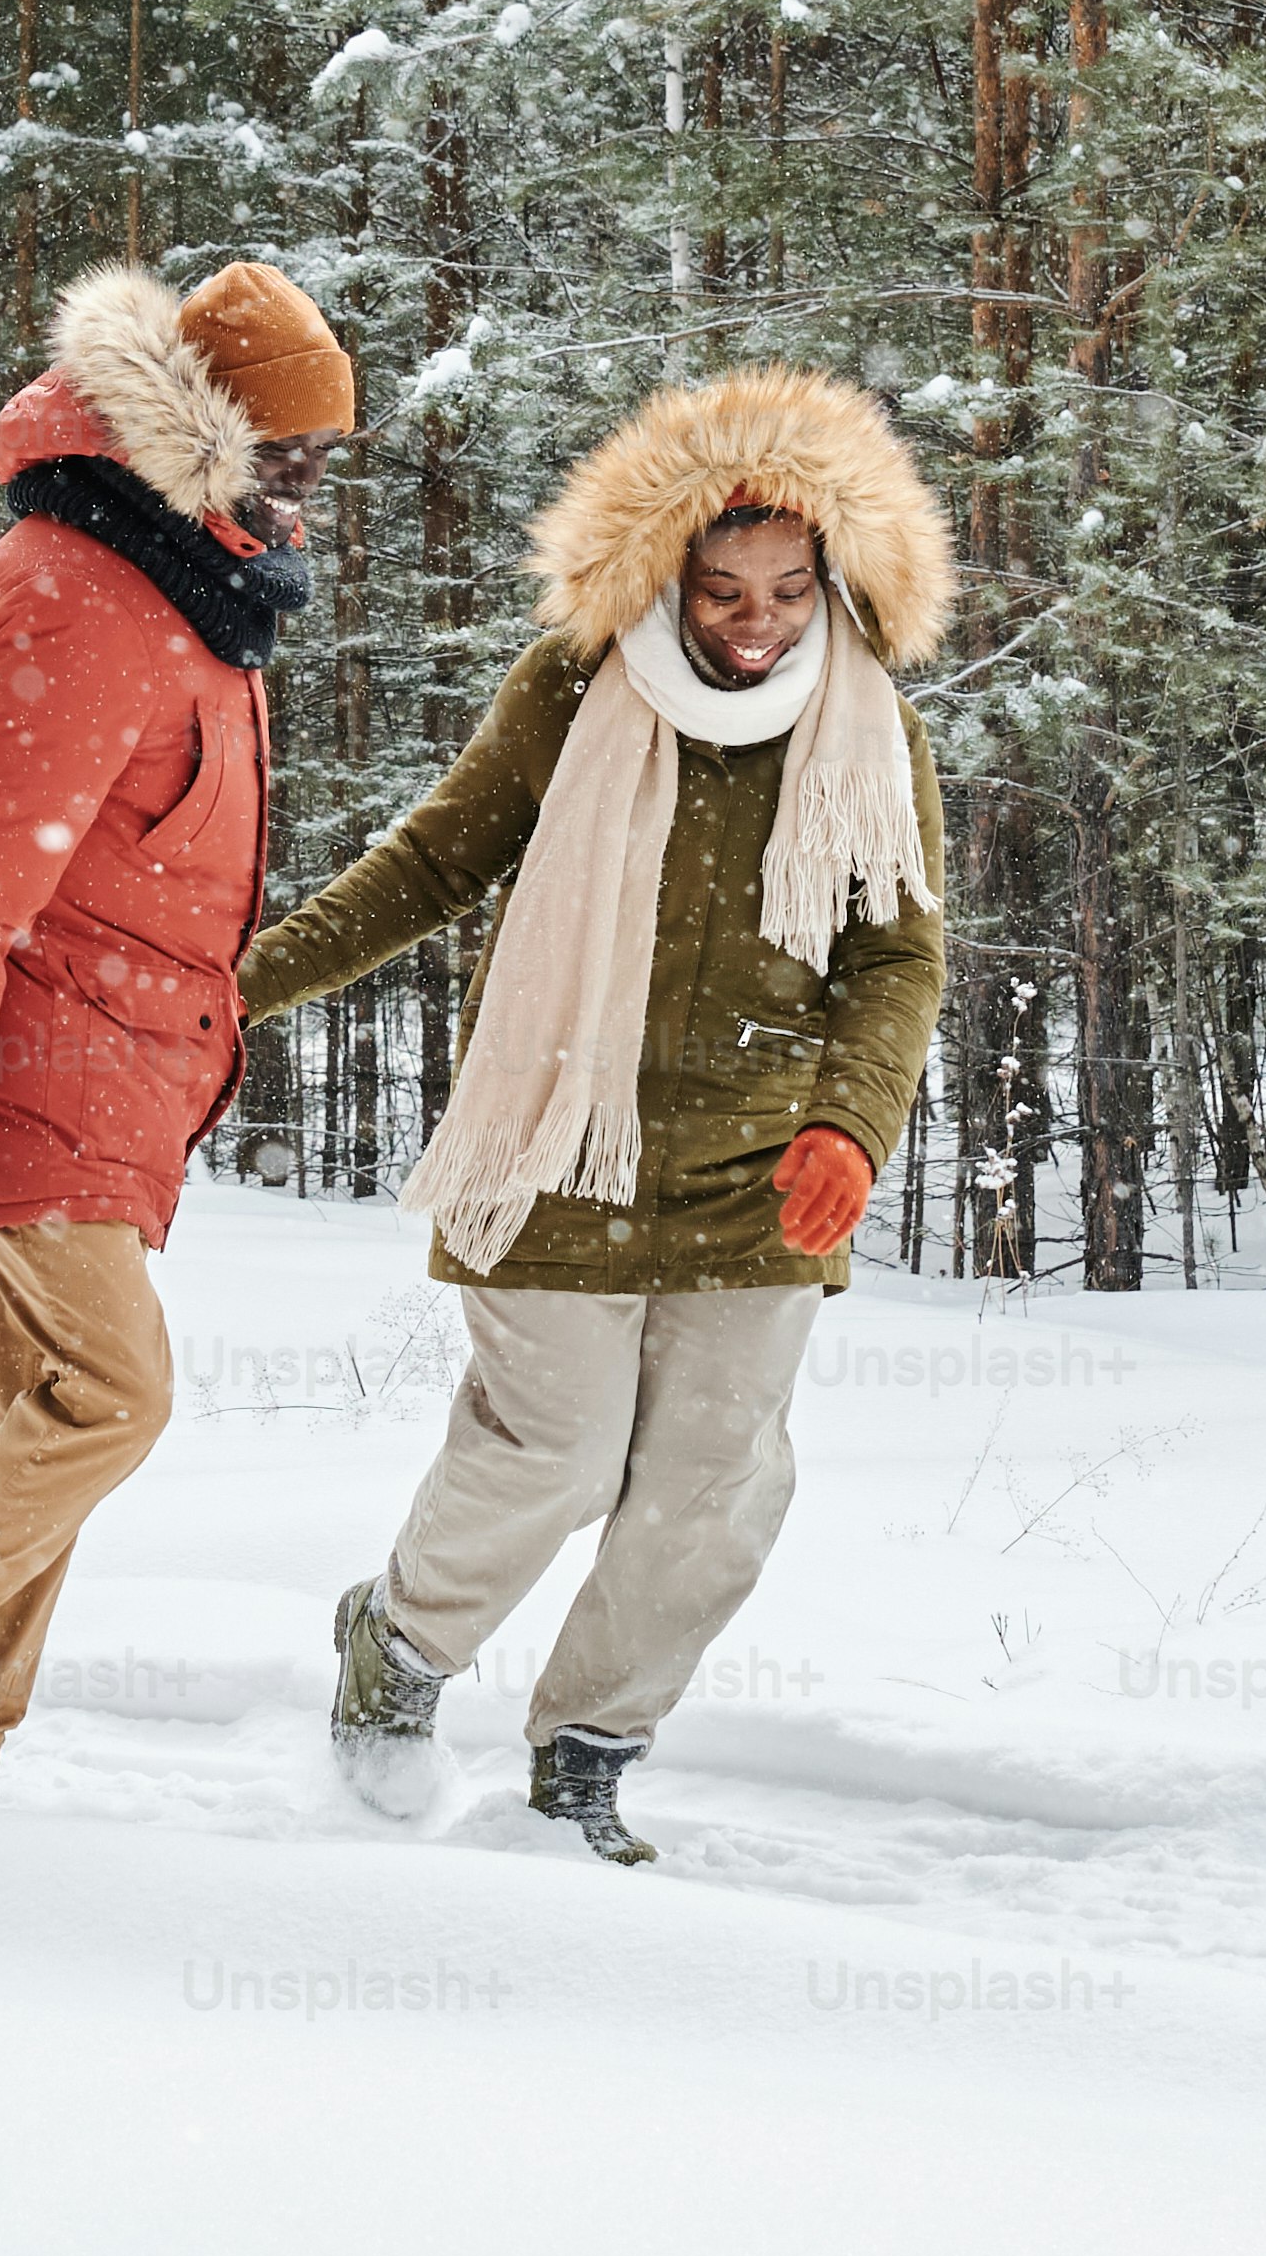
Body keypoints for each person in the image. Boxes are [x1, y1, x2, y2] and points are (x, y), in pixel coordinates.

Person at [237, 367, 948, 1863]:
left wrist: (852, 1125)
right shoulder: (576, 686)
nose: (753, 623)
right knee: (546, 1456)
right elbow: (437, 864)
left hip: (764, 1169)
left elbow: (897, 952)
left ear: (834, 578)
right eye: (721, 590)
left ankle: (588, 1757)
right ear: (665, 575)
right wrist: (240, 987)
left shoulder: (872, 726)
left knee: (710, 1490)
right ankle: (404, 1646)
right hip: (566, 1140)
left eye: (786, 589)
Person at [0, 258, 359, 1802]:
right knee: (112, 1399)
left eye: (329, 452)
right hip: (38, 1065)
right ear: (206, 433)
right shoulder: (79, 586)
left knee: (37, 1416)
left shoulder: (184, 581)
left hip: (115, 1068)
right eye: (295, 449)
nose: (316, 483)